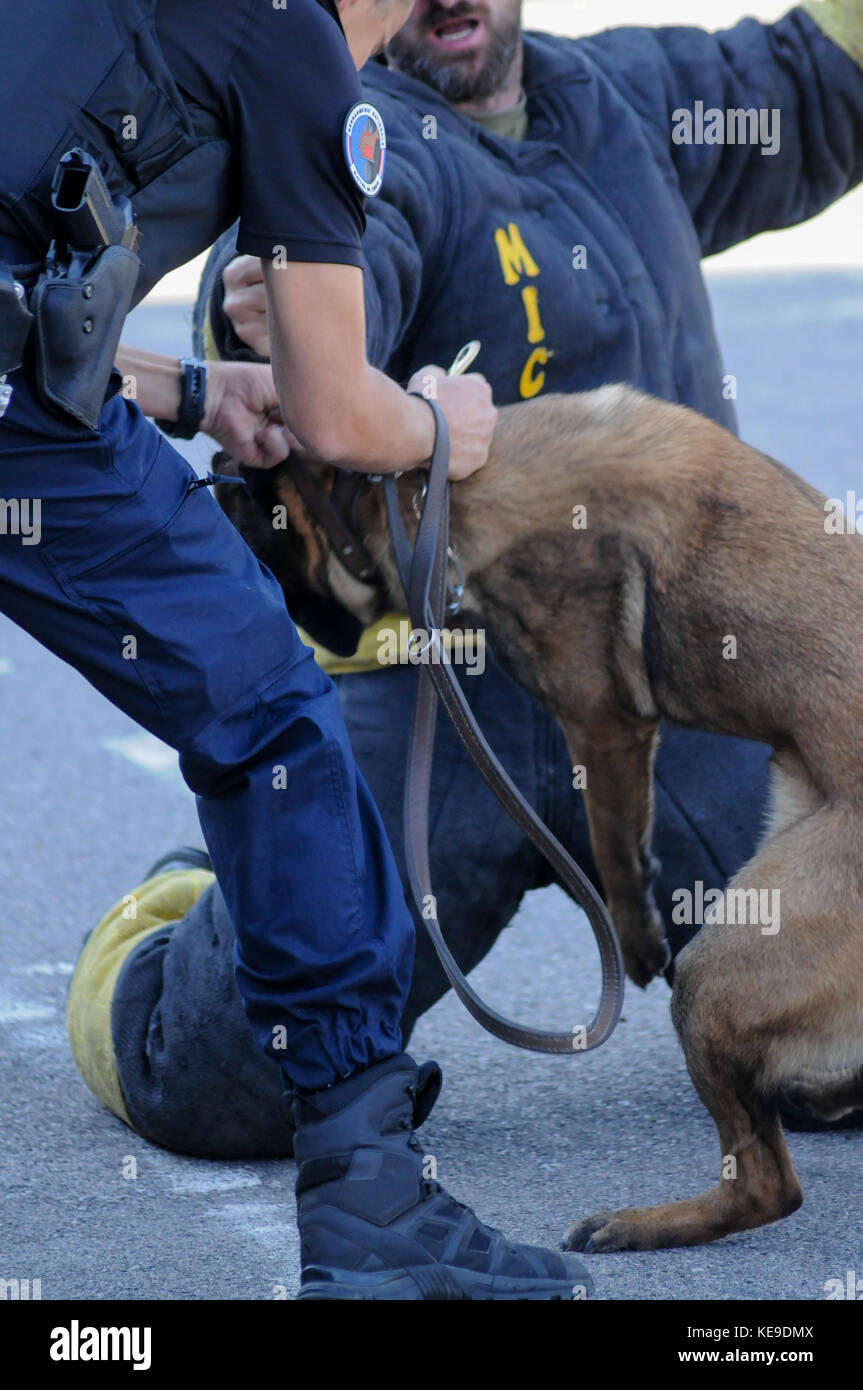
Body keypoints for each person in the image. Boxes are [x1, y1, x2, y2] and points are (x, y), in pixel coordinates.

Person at [69, 0, 863, 1160]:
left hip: (666, 696)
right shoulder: (358, 140)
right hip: (437, 697)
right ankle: (190, 894)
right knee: (219, 1075)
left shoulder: (630, 99)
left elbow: (817, 74)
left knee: (821, 1052)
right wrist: (272, 324)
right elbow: (338, 271)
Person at [3, 0, 594, 1301]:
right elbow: (340, 410)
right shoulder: (291, 40)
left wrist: (200, 391)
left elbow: (35, 264)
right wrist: (442, 424)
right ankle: (368, 1193)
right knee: (272, 721)